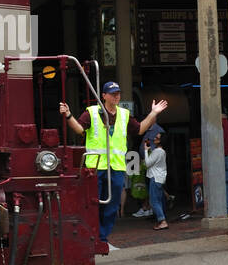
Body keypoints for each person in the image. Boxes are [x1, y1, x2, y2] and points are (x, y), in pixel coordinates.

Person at [59, 84, 167, 249]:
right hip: (96, 166)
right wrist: (68, 115)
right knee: (94, 203)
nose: (116, 97)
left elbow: (139, 129)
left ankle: (102, 239)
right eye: (112, 94)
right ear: (104, 95)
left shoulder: (124, 114)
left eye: (118, 93)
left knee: (112, 204)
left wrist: (153, 113)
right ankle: (93, 238)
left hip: (116, 167)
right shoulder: (92, 112)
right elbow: (79, 129)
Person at [143, 130, 168, 231]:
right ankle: (160, 220)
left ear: (160, 141)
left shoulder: (158, 151)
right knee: (159, 201)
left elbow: (147, 163)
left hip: (155, 178)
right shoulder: (161, 151)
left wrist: (145, 150)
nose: (154, 139)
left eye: (157, 138)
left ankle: (162, 221)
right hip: (160, 177)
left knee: (154, 201)